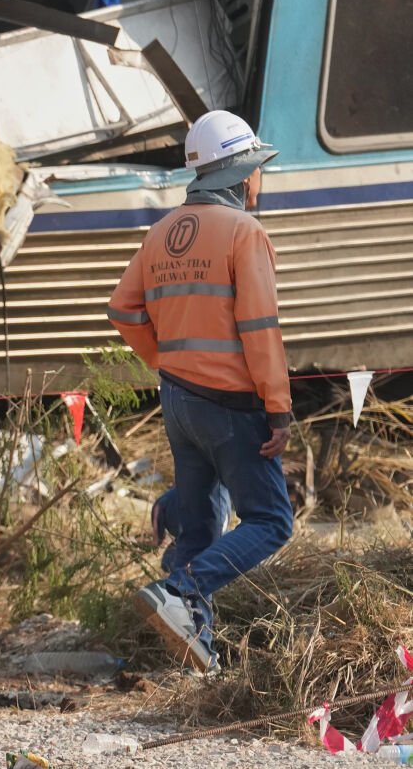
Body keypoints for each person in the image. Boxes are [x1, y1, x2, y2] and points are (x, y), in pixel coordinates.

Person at [107, 110, 294, 672]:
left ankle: (189, 655)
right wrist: (279, 408)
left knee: (199, 521)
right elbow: (260, 326)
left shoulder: (162, 231)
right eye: (257, 169)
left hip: (178, 400)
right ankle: (183, 591)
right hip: (231, 406)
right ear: (239, 176)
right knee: (270, 522)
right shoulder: (244, 232)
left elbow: (122, 308)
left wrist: (167, 361)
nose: (260, 180)